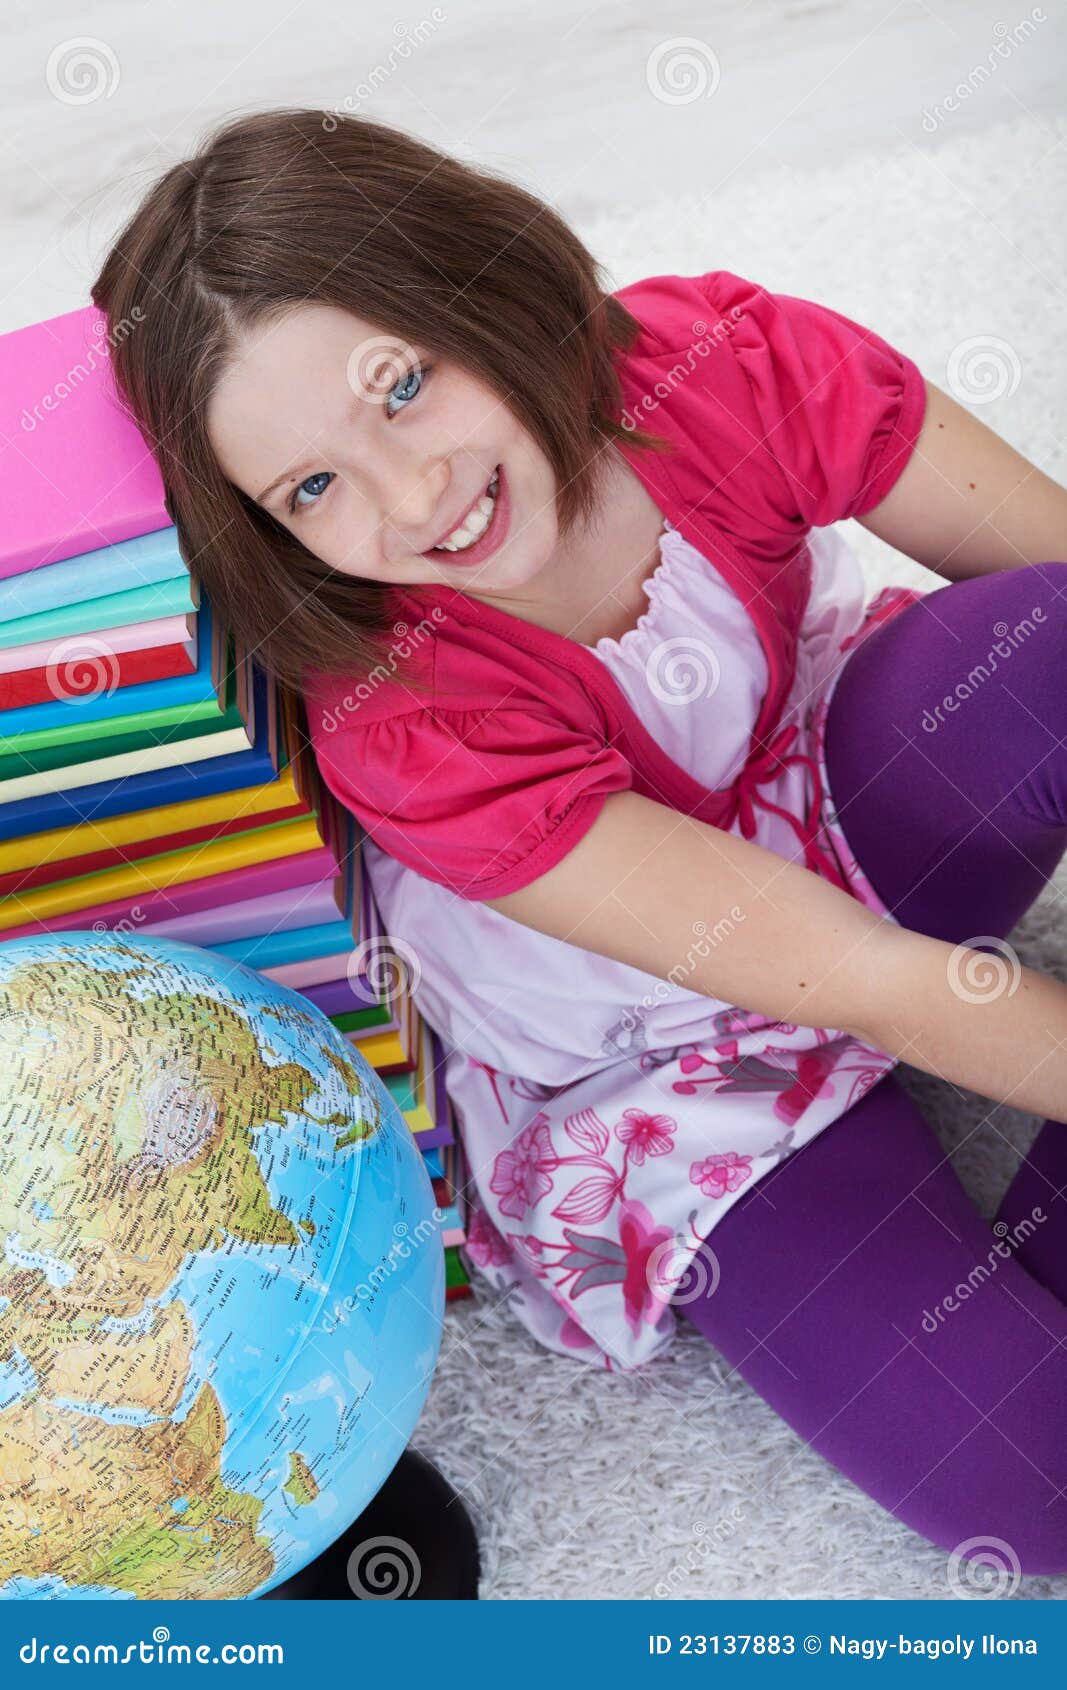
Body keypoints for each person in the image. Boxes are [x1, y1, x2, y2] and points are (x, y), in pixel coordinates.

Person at [91, 106, 1067, 1576]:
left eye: (403, 386)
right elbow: (857, 976)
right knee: (1027, 1483)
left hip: (818, 792)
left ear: (475, 283)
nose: (414, 496)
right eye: (313, 489)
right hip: (653, 1048)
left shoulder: (714, 363)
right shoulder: (402, 713)